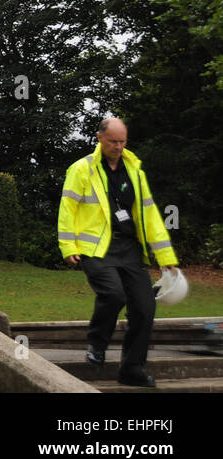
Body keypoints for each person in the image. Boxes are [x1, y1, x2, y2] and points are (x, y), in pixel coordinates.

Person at [57, 117, 178, 387]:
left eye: (122, 141)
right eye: (113, 141)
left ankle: (131, 369)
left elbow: (151, 216)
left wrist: (166, 257)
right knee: (113, 294)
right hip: (95, 249)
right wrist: (68, 246)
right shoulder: (81, 169)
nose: (118, 146)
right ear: (99, 138)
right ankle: (97, 344)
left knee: (145, 308)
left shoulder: (135, 172)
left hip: (129, 249)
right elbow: (68, 210)